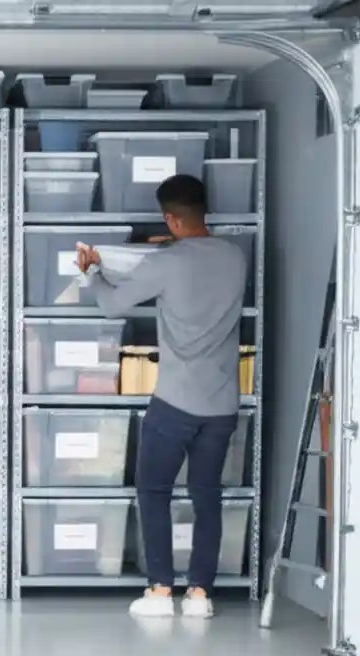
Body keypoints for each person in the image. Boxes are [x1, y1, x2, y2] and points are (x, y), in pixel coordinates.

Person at [76, 174, 248, 619]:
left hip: (174, 400)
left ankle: (159, 591)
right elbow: (198, 268)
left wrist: (93, 270)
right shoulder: (236, 257)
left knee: (153, 491)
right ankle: (199, 596)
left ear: (170, 218)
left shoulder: (166, 262)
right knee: (206, 494)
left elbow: (113, 305)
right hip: (222, 404)